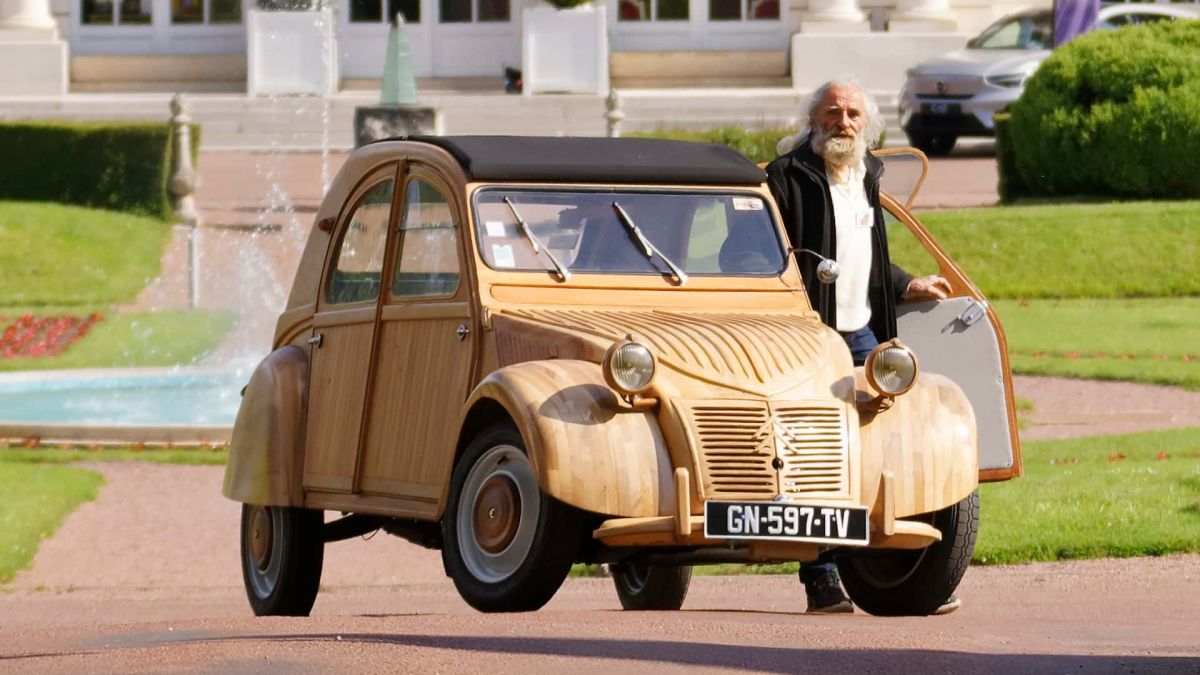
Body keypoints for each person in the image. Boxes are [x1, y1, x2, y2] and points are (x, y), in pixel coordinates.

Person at [765, 78, 957, 615]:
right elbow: (755, 251)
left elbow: (865, 254)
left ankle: (907, 577)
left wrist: (904, 283)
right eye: (832, 113)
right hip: (807, 337)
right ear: (814, 120)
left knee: (884, 444)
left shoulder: (868, 173)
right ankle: (820, 577)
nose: (842, 122)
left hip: (864, 333)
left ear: (866, 124)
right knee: (813, 453)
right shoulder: (785, 177)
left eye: (852, 113)